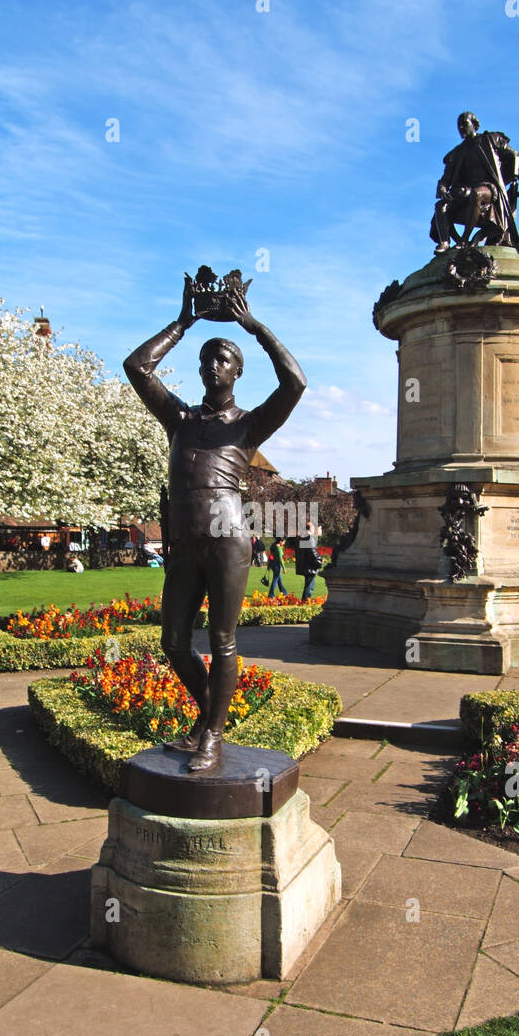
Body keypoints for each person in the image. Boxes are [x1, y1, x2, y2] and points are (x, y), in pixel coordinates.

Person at [123, 275, 306, 770]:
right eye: (206, 359)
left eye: (222, 359)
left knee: (222, 640)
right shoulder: (179, 419)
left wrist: (253, 326)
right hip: (184, 543)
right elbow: (137, 366)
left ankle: (214, 736)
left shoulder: (248, 424)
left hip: (228, 539)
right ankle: (208, 719)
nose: (211, 366)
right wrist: (183, 322)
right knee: (173, 642)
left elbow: (296, 383)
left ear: (237, 371)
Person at [430, 111, 519, 254]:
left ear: (475, 125)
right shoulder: (456, 153)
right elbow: (445, 179)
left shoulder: (491, 139)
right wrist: (442, 189)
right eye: (459, 125)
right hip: (465, 191)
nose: (461, 128)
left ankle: (464, 241)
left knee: (477, 194)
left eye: (465, 124)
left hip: (490, 188)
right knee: (441, 206)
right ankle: (444, 243)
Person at [296, 521, 323, 602]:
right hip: (310, 567)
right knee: (310, 587)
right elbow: (312, 553)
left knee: (308, 586)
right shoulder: (309, 538)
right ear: (311, 528)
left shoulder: (301, 538)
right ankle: (305, 603)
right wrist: (319, 561)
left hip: (305, 566)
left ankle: (304, 602)